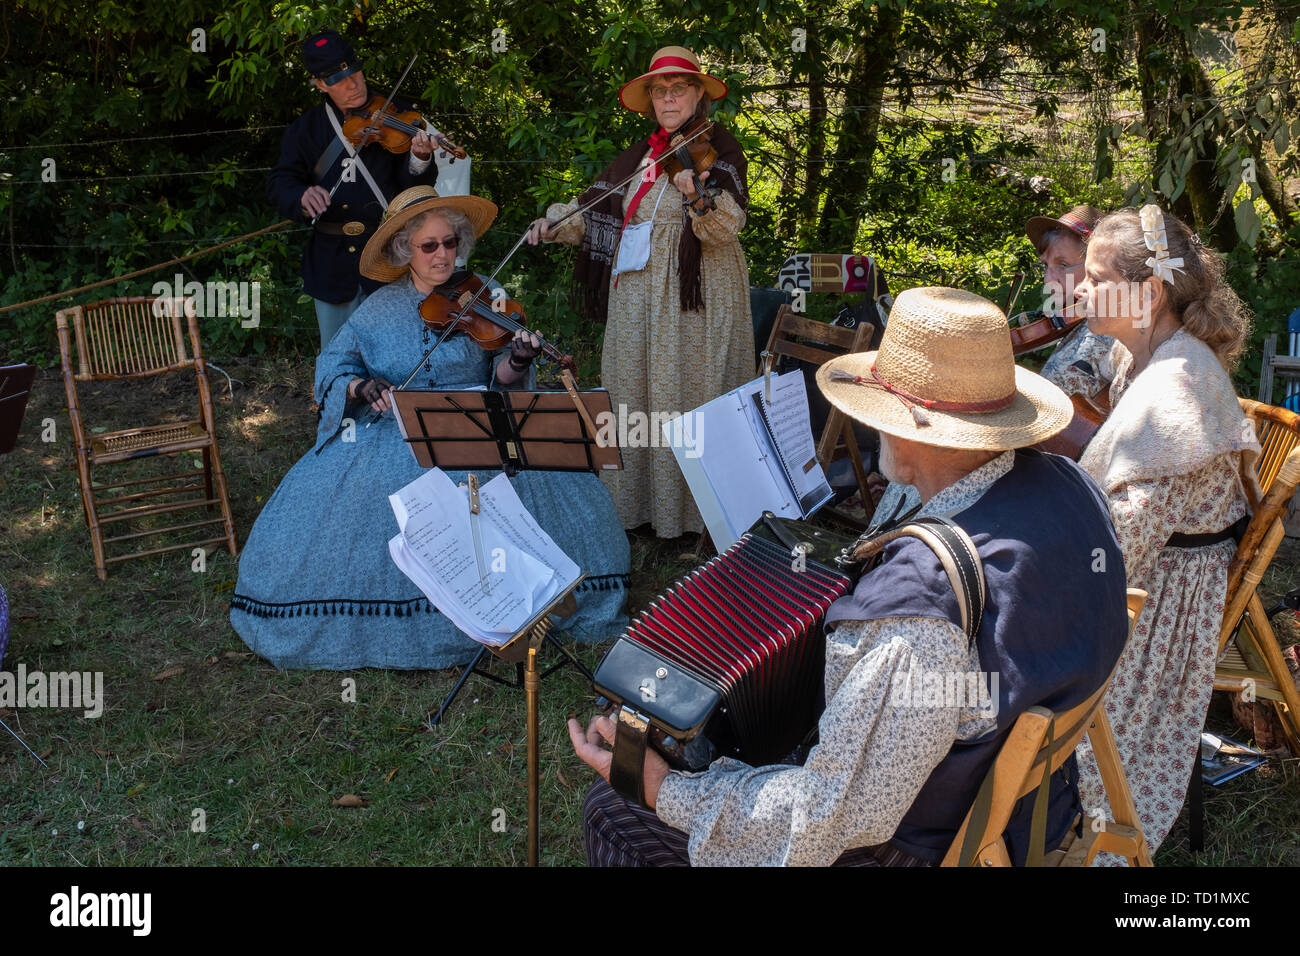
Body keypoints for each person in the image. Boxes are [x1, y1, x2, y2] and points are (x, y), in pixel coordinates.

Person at [568, 286, 1131, 866]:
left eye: (878, 411)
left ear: (913, 427)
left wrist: (668, 791)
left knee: (614, 815)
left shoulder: (920, 615)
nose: (870, 426)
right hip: (1036, 803)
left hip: (923, 844)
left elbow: (830, 814)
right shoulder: (1074, 487)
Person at [231, 187, 630, 669]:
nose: (443, 255)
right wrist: (361, 387)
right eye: (429, 246)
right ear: (404, 250)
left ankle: (527, 608)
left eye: (449, 243)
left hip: (477, 423)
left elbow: (503, 381)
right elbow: (332, 367)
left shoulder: (487, 297)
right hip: (396, 427)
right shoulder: (376, 309)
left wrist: (520, 357)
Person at [1071, 204, 1257, 858]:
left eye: (1094, 278)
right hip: (1158, 569)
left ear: (1148, 294)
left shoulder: (1177, 393)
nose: (1077, 289)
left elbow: (1118, 555)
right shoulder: (1149, 354)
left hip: (1163, 604)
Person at [525, 46, 754, 539]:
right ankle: (638, 510)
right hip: (634, 298)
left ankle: (691, 519)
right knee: (632, 394)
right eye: (659, 90)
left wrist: (696, 195)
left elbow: (725, 229)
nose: (669, 98)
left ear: (698, 95)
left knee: (685, 395)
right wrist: (554, 223)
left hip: (694, 301)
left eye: (679, 88)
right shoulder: (645, 155)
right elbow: (601, 213)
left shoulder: (718, 151)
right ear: (650, 100)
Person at [268, 30, 439, 350]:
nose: (353, 84)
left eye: (355, 73)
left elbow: (416, 188)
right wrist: (301, 196)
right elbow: (281, 182)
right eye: (339, 79)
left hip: (390, 255)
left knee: (397, 357)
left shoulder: (396, 113)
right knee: (339, 359)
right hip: (333, 264)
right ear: (320, 85)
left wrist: (419, 158)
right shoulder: (305, 129)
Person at [1024, 205, 1116, 400]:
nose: (1048, 280)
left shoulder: (1112, 331)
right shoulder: (1079, 319)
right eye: (1046, 266)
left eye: (1063, 265)